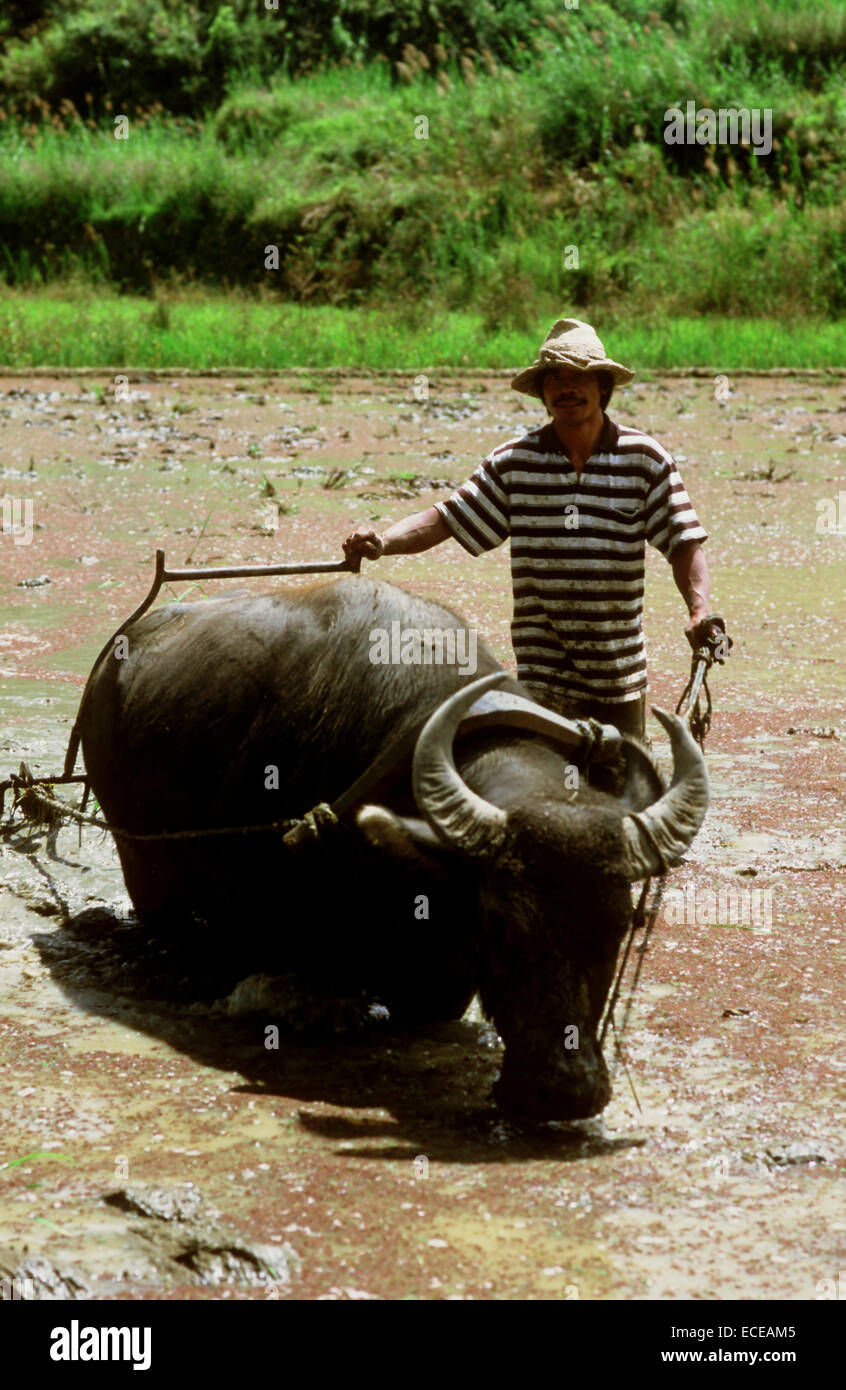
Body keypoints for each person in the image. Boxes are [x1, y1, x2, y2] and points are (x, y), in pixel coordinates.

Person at [343, 318, 729, 739]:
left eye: (579, 377)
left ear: (602, 386)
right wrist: (382, 542)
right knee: (543, 794)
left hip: (618, 675)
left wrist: (698, 609)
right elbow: (446, 520)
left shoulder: (644, 460)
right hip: (542, 677)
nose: (567, 388)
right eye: (555, 379)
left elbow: (683, 542)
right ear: (543, 394)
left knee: (624, 792)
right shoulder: (515, 462)